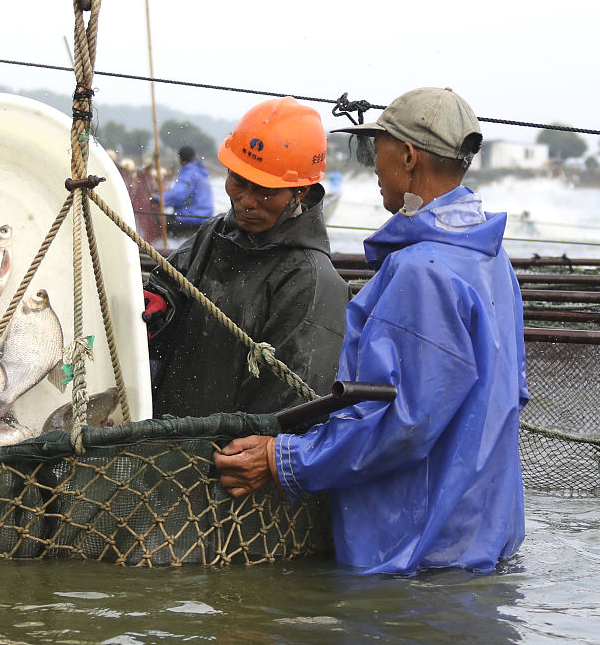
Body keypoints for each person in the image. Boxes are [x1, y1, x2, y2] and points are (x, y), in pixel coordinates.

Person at [214, 87, 528, 575]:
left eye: (375, 147)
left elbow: (401, 423)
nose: (372, 165)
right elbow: (510, 395)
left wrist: (285, 458)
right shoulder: (491, 259)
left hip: (417, 557)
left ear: (407, 156)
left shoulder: (421, 271)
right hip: (484, 540)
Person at [144, 97, 349, 417]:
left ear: (301, 191)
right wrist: (153, 307)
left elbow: (285, 417)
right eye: (239, 181)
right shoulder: (213, 234)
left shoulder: (311, 283)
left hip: (226, 461)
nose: (247, 201)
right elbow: (165, 292)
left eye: (265, 189)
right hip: (166, 442)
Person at [160, 145, 213, 238]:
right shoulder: (200, 171)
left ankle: (158, 246)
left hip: (191, 218)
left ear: (180, 159)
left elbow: (178, 195)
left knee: (157, 220)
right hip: (205, 217)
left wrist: (158, 199)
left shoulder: (189, 173)